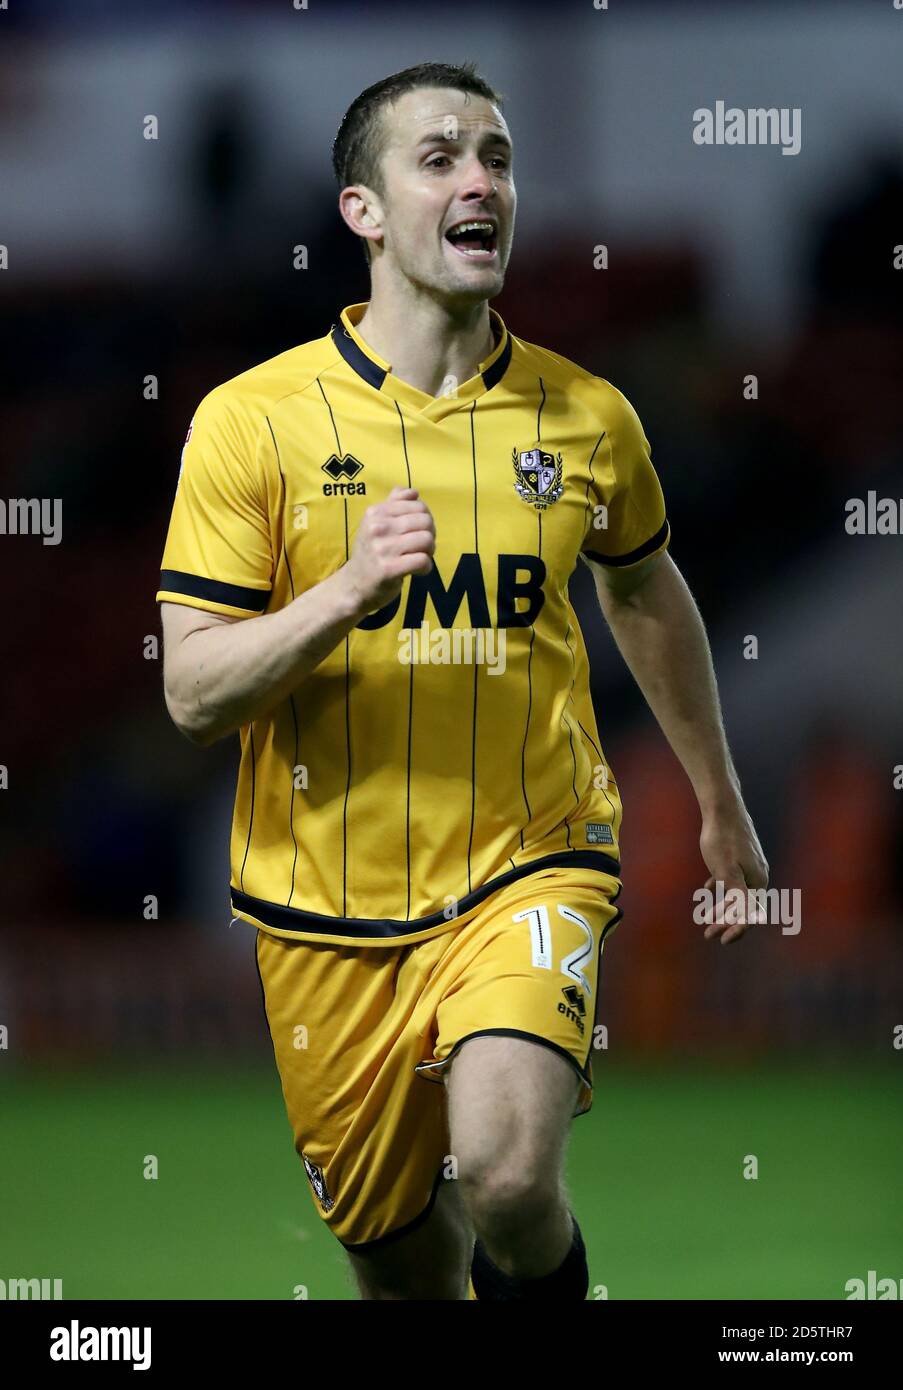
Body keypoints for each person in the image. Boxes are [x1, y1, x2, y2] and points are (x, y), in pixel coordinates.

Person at [157, 62, 768, 1301]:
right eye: (438, 158)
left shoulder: (587, 417)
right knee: (403, 1271)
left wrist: (719, 798)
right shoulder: (249, 421)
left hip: (529, 856)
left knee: (504, 1174)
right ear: (363, 212)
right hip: (323, 910)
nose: (480, 179)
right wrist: (339, 597)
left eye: (495, 156)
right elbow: (191, 690)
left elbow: (644, 589)